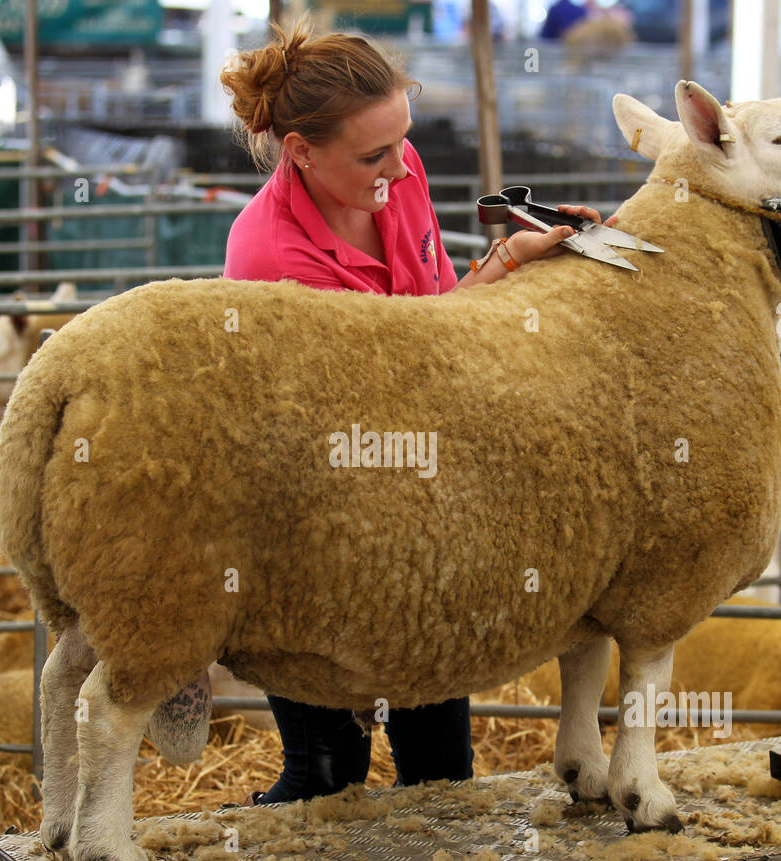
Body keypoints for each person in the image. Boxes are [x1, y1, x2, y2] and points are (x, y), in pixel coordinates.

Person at [220, 17, 598, 805]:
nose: (400, 166)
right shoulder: (270, 257)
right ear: (300, 152)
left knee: (443, 775)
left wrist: (511, 258)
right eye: (373, 154)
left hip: (425, 527)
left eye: (403, 140)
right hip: (321, 537)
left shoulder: (403, 173)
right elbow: (338, 412)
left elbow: (432, 322)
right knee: (326, 778)